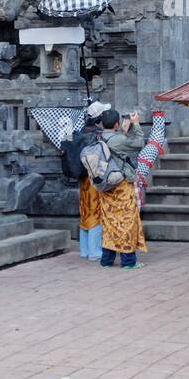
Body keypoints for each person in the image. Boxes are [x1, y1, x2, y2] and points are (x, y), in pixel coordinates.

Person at [98, 108, 148, 269]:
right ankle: (128, 261)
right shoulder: (117, 139)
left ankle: (107, 260)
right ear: (116, 123)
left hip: (105, 185)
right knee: (126, 220)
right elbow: (139, 143)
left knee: (109, 221)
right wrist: (136, 124)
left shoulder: (98, 137)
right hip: (121, 185)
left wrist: (124, 132)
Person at [76, 101, 111, 261]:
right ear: (99, 119)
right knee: (95, 212)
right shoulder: (97, 135)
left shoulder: (78, 132)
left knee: (84, 211)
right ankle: (95, 251)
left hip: (82, 177)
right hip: (94, 177)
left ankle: (84, 250)